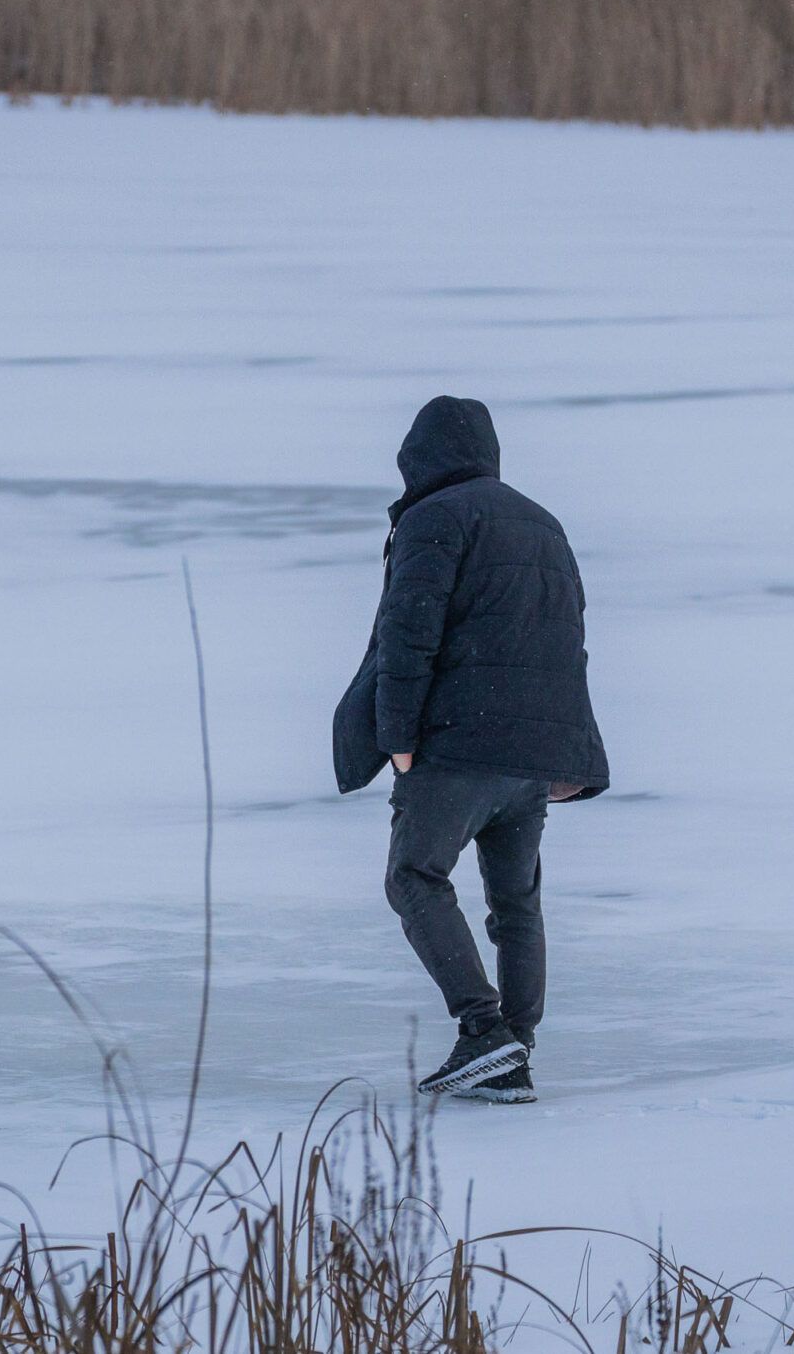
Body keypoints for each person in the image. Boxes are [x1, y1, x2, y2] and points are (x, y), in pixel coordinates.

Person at [333, 396, 608, 1104]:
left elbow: (407, 638)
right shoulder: (543, 523)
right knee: (515, 903)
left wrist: (397, 741)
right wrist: (569, 757)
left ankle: (484, 1030)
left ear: (417, 458)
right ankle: (514, 1053)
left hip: (458, 742)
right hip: (533, 755)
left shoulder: (433, 518)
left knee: (413, 877)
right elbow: (566, 640)